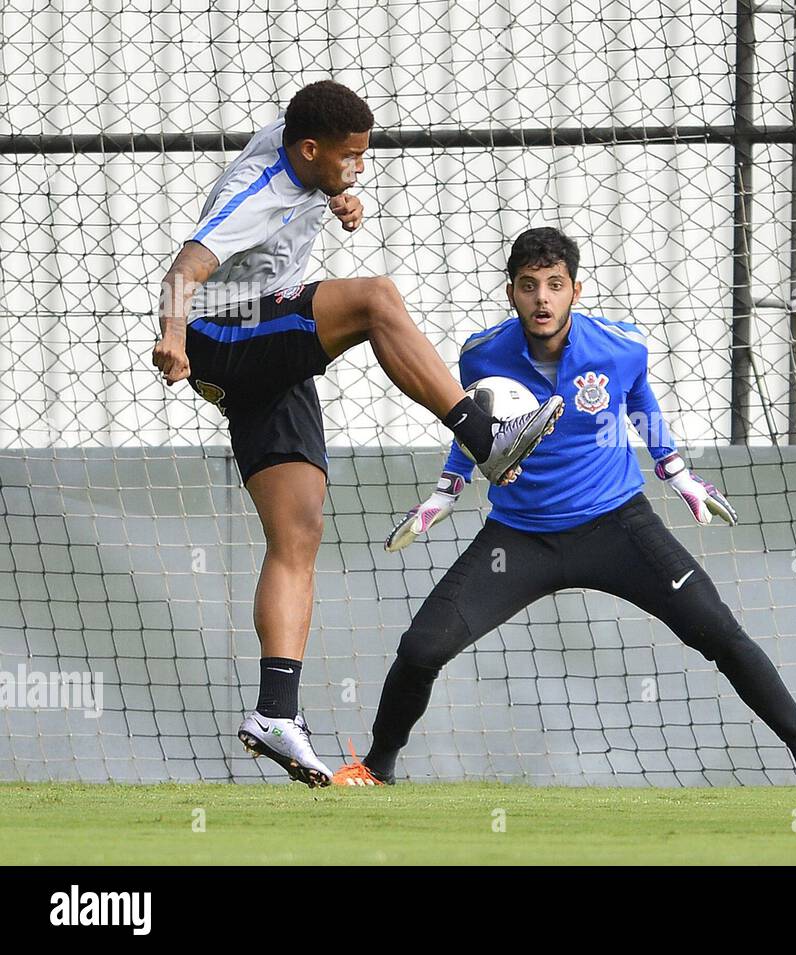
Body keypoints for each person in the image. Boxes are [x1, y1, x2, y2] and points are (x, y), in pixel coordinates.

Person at [150, 81, 563, 787]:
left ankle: (275, 712)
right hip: (222, 335)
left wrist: (330, 194)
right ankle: (482, 434)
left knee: (299, 529)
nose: (360, 167)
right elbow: (186, 265)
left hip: (260, 352)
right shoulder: (260, 189)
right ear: (309, 150)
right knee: (375, 298)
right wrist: (173, 335)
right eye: (350, 158)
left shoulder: (300, 150)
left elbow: (307, 166)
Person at [332, 227, 796, 787]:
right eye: (529, 286)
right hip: (518, 538)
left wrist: (675, 470)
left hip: (617, 526)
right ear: (512, 292)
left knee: (719, 632)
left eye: (555, 285)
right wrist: (447, 489)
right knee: (421, 648)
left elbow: (640, 400)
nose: (542, 299)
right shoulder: (481, 355)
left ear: (575, 291)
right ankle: (376, 768)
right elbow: (469, 425)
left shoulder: (620, 346)